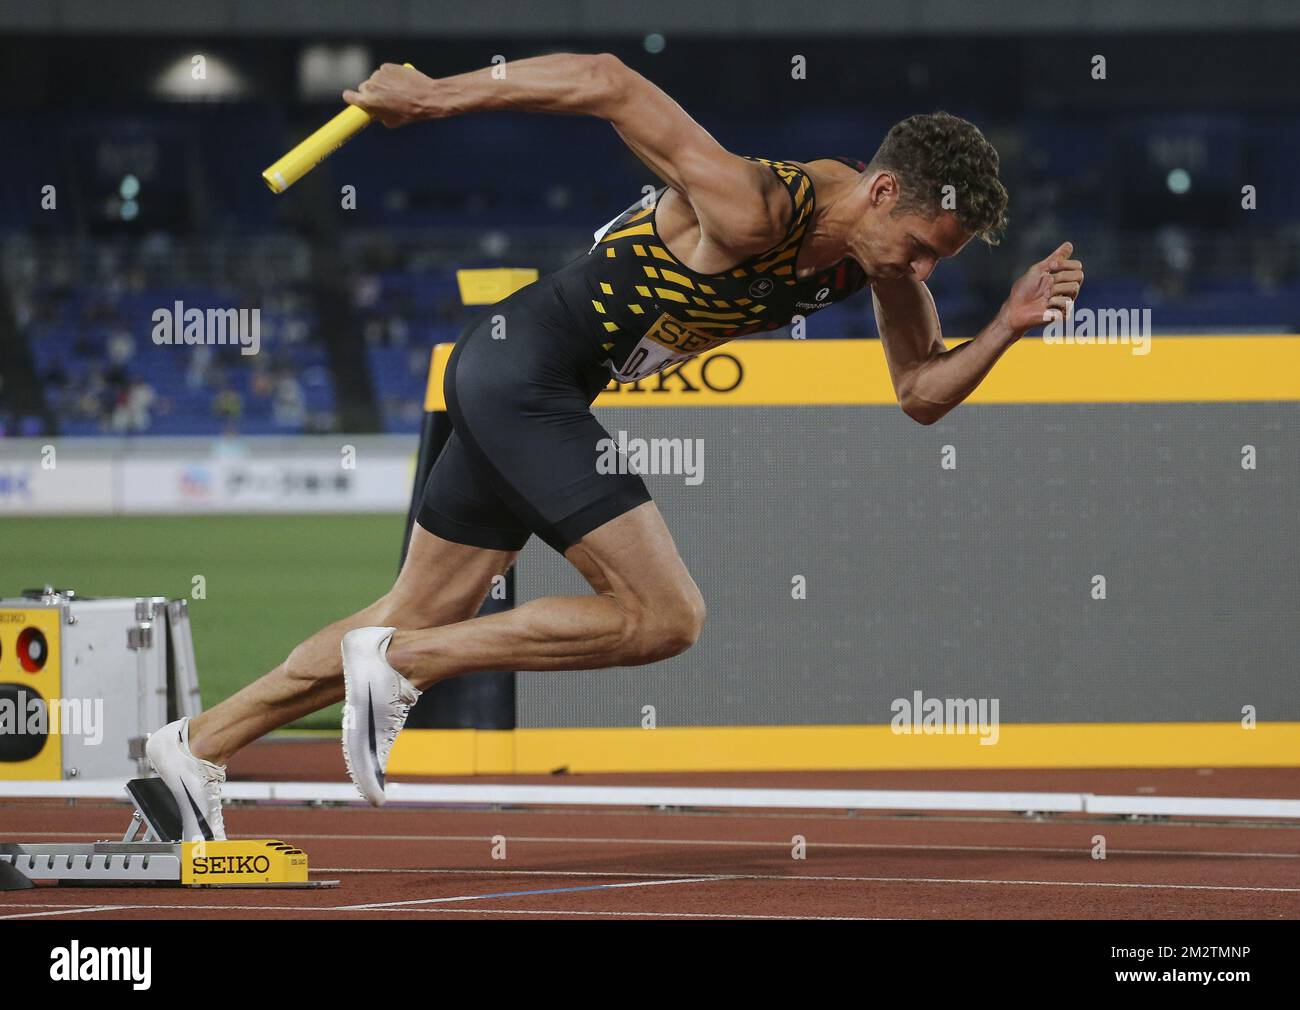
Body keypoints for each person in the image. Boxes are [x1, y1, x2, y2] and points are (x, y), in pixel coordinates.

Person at [145, 55, 1084, 840]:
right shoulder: (756, 205)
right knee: (664, 616)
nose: (920, 273)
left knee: (411, 606)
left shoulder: (868, 262)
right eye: (920, 247)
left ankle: (193, 749)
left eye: (939, 264)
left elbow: (920, 393)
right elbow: (606, 80)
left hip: (528, 388)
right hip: (524, 382)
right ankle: (403, 665)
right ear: (882, 192)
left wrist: (1004, 326)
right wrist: (436, 97)